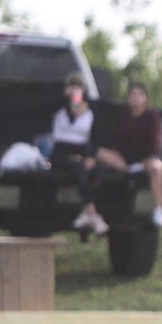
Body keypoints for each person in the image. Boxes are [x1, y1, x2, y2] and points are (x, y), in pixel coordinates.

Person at [90, 81, 162, 227]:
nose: (136, 97)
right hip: (125, 160)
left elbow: (155, 145)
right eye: (133, 94)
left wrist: (145, 161)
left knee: (157, 167)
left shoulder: (152, 116)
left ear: (146, 98)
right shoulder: (124, 116)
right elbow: (119, 142)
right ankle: (93, 209)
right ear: (128, 98)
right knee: (99, 152)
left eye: (140, 94)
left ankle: (158, 209)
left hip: (146, 159)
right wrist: (114, 153)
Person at [47, 72, 105, 236]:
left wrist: (91, 157)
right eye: (71, 88)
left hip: (81, 152)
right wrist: (66, 99)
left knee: (97, 170)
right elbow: (47, 106)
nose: (74, 92)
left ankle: (87, 212)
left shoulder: (90, 112)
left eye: (78, 88)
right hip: (61, 152)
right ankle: (91, 212)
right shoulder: (59, 108)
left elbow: (95, 138)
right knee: (79, 168)